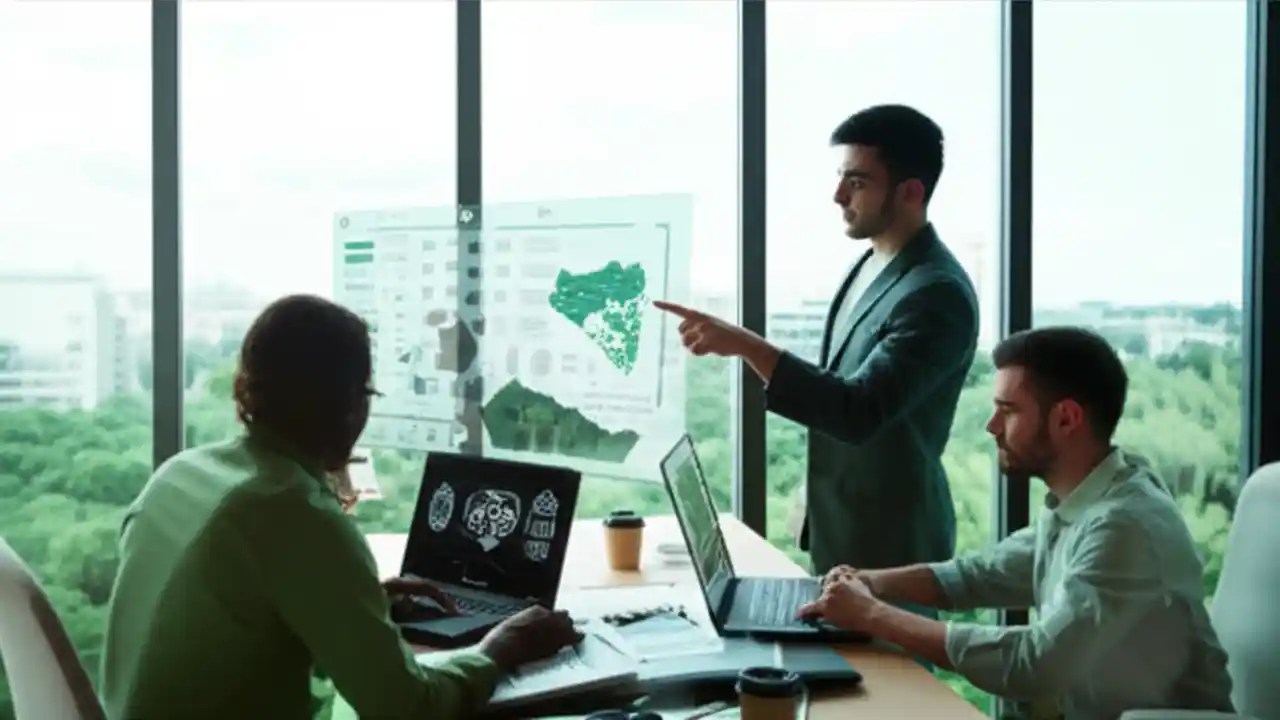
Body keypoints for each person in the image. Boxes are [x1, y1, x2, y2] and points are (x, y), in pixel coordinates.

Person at [100, 295, 580, 719]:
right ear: (352, 403)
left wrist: (351, 598)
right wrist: (500, 648)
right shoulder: (294, 511)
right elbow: (408, 707)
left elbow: (226, 616)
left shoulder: (181, 473)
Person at [798, 327, 1234, 720]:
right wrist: (869, 582)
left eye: (1008, 410)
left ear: (1066, 419)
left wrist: (872, 615)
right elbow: (982, 575)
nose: (991, 426)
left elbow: (1034, 665)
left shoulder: (1124, 527)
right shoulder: (1087, 499)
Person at [656, 104, 979, 581]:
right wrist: (814, 494)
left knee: (884, 661)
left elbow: (859, 409)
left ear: (911, 191)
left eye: (858, 182)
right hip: (841, 532)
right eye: (840, 177)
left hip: (893, 548)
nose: (837, 195)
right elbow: (838, 387)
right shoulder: (871, 266)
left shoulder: (937, 293)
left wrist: (747, 345)